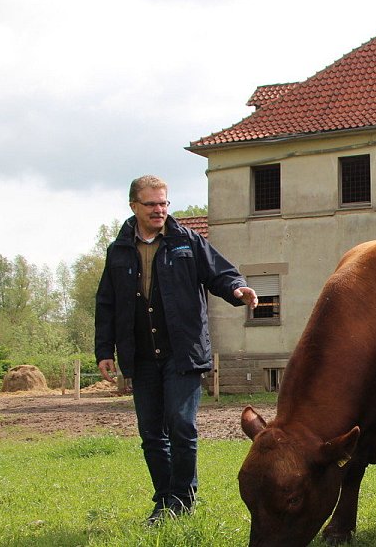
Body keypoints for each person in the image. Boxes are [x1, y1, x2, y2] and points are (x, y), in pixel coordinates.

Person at [95, 174, 257, 525]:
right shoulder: (118, 250)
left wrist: (238, 290)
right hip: (140, 354)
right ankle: (165, 500)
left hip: (183, 352)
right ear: (134, 206)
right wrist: (104, 350)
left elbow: (220, 274)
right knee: (152, 432)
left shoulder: (187, 240)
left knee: (181, 424)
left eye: (164, 203)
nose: (159, 210)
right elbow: (106, 303)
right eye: (151, 204)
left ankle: (182, 500)